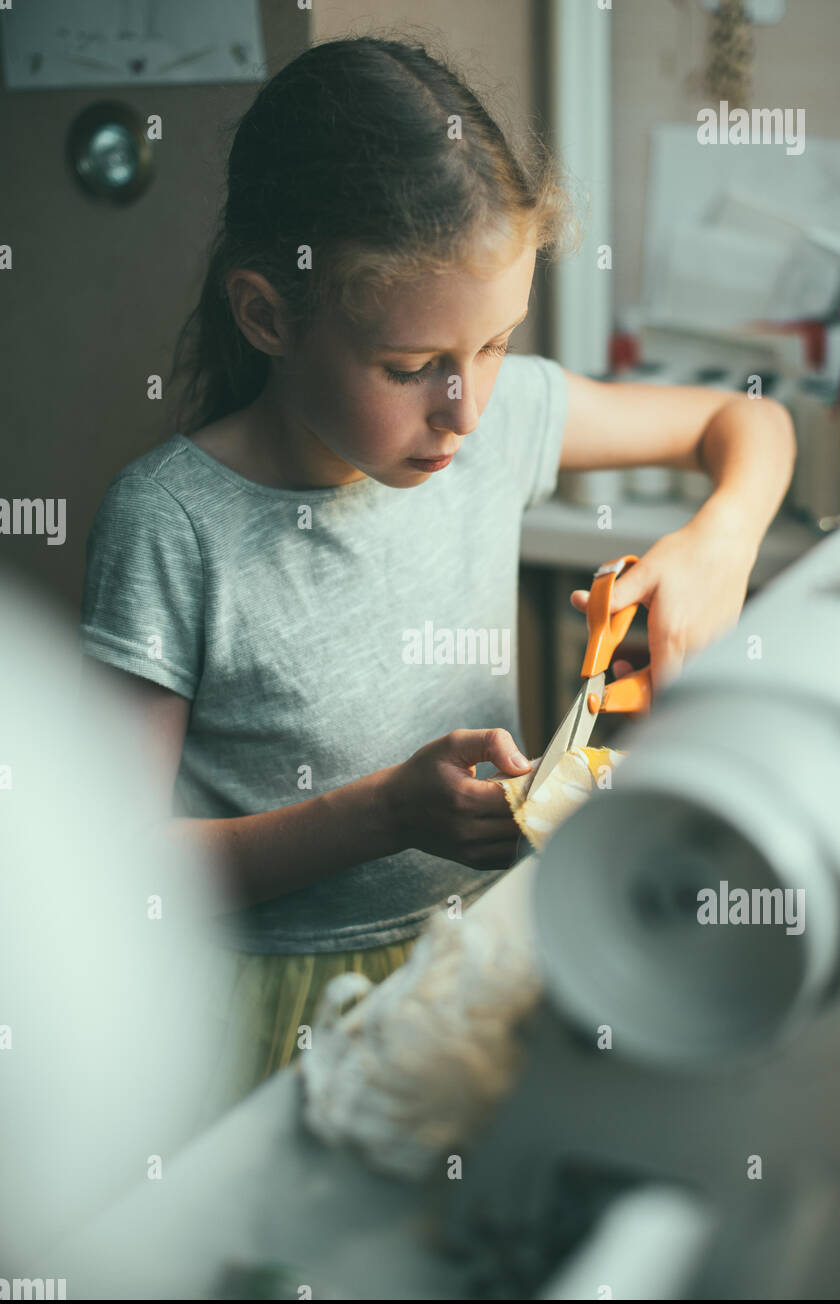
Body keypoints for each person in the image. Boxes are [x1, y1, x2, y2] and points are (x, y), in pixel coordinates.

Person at [79, 35, 795, 1127]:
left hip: (479, 963)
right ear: (270, 315)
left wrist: (721, 539)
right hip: (272, 1017)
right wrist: (382, 814)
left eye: (498, 344)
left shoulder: (495, 422)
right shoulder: (172, 522)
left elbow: (751, 420)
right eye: (412, 370)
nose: (465, 408)